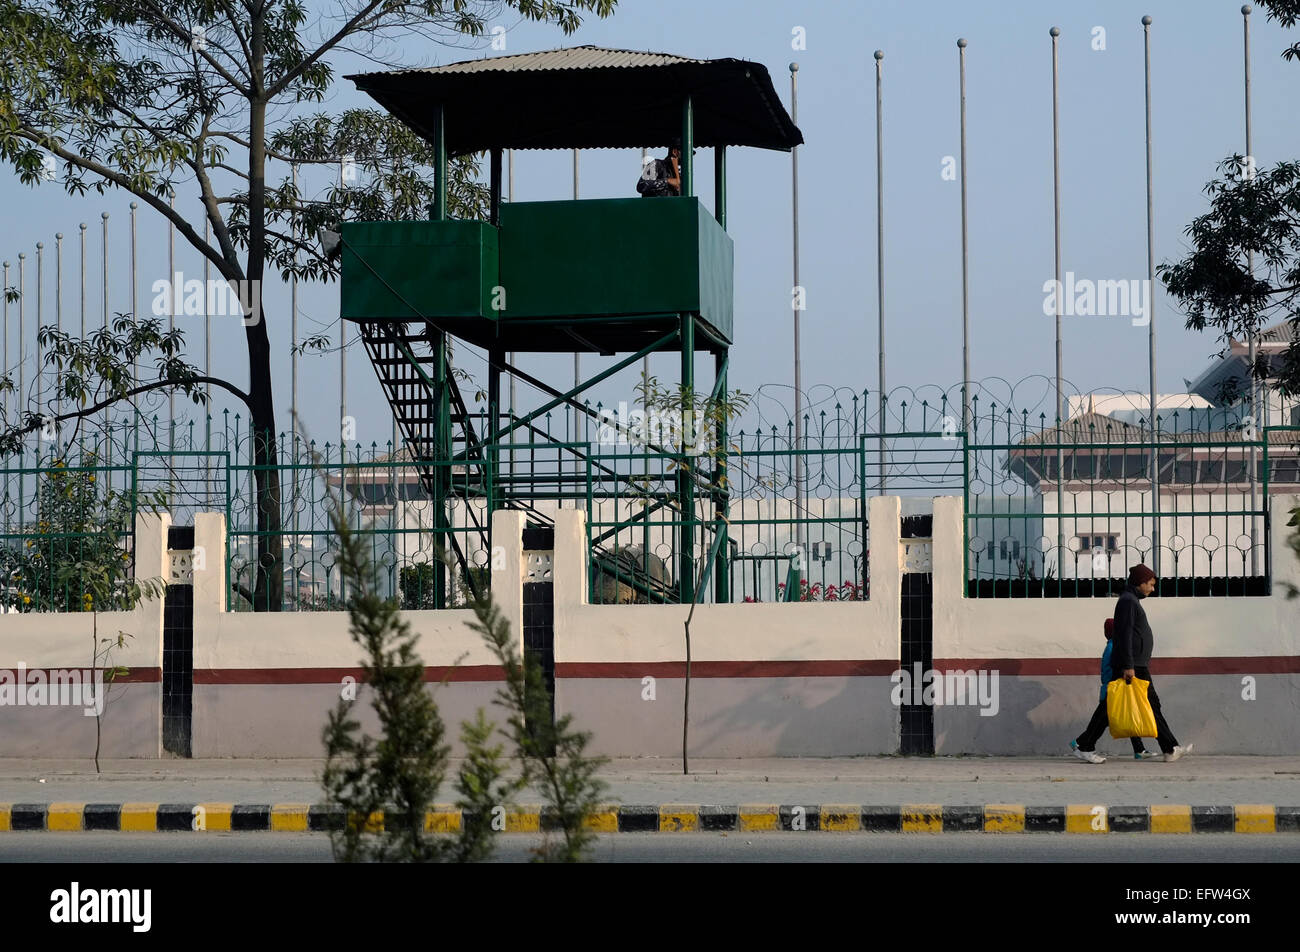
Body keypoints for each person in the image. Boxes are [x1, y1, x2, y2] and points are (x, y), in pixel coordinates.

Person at [1075, 564, 1191, 763]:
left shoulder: (1131, 601)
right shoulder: (1128, 602)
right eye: (1151, 584)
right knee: (1113, 708)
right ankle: (1084, 745)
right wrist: (1128, 665)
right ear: (1140, 582)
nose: (1152, 589)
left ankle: (1170, 748)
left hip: (1136, 664)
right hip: (1132, 666)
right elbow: (1124, 635)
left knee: (1146, 705)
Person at [1069, 618, 1157, 763]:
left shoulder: (1112, 646)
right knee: (1102, 722)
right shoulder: (1114, 647)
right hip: (1113, 691)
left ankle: (1139, 749)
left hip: (1113, 690)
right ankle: (1082, 744)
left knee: (1125, 717)